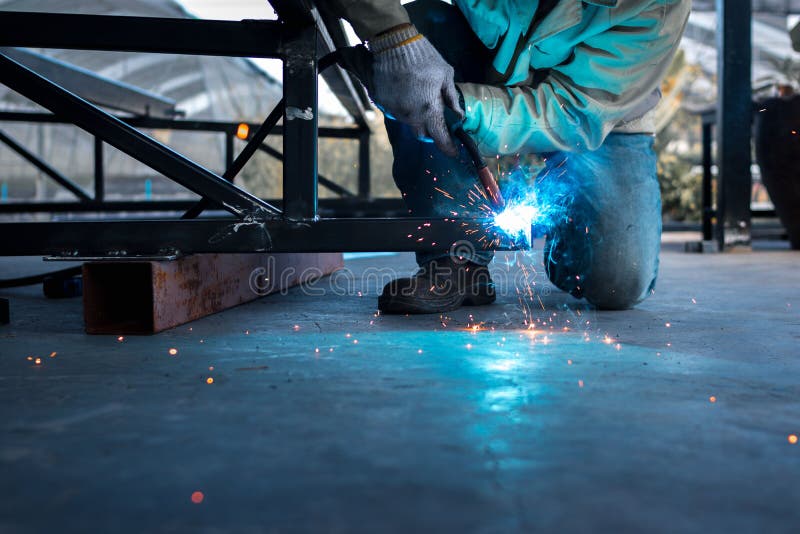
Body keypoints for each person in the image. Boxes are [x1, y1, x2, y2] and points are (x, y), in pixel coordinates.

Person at [329, 0, 691, 313]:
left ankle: (564, 199)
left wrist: (462, 109)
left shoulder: (657, 6)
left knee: (618, 280)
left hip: (597, 108)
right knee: (423, 26)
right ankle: (456, 257)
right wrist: (392, 37)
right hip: (484, 61)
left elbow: (576, 111)